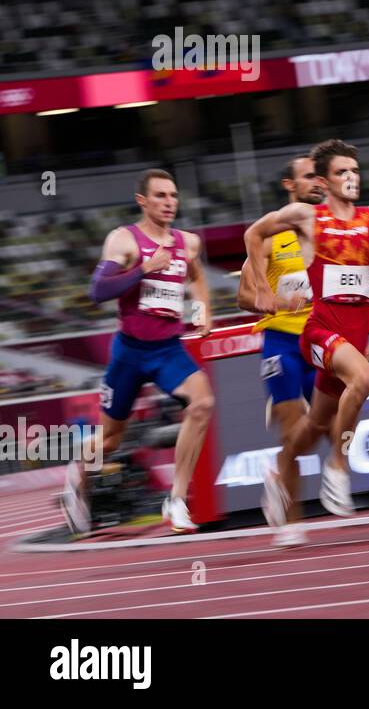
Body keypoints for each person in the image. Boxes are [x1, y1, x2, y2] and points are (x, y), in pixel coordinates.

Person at [246, 139, 369, 545]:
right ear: (324, 180)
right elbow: (254, 232)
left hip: (356, 331)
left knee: (317, 423)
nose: (351, 178)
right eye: (342, 172)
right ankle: (337, 466)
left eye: (355, 170)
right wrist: (260, 292)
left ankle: (279, 469)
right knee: (366, 379)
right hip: (318, 330)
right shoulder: (306, 216)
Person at [63, 169, 215, 534]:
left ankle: (175, 500)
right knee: (112, 438)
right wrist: (144, 268)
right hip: (129, 353)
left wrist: (202, 309)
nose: (169, 202)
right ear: (142, 201)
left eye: (173, 195)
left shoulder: (187, 242)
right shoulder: (124, 241)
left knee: (203, 404)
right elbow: (97, 291)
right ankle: (77, 480)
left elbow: (195, 276)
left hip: (167, 350)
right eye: (160, 196)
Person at [237, 156, 326, 501]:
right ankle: (290, 524)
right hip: (283, 345)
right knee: (292, 431)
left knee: (327, 426)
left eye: (320, 176)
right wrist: (267, 299)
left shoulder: (326, 229)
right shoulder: (273, 233)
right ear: (290, 185)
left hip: (320, 339)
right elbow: (244, 295)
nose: (317, 182)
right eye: (308, 177)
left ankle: (279, 470)